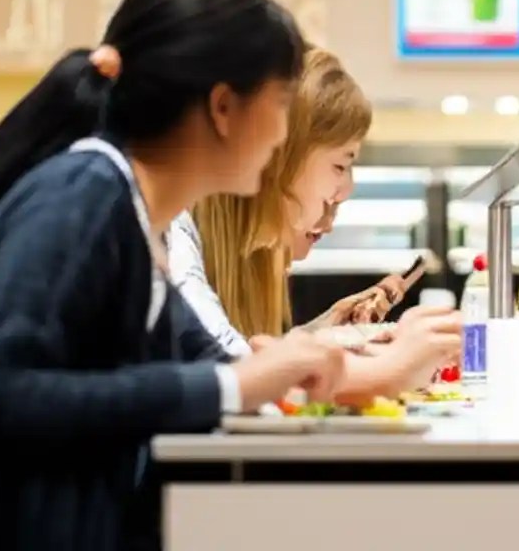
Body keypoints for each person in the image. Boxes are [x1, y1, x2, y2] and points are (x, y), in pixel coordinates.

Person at [0, 0, 348, 551]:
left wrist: (268, 376)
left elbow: (186, 373)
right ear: (224, 107)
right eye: (282, 103)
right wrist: (232, 387)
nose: (286, 134)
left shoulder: (130, 218)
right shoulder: (82, 196)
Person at [169, 48, 461, 394]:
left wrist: (327, 337)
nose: (345, 191)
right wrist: (393, 368)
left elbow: (242, 365)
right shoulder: (170, 238)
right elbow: (236, 382)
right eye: (341, 164)